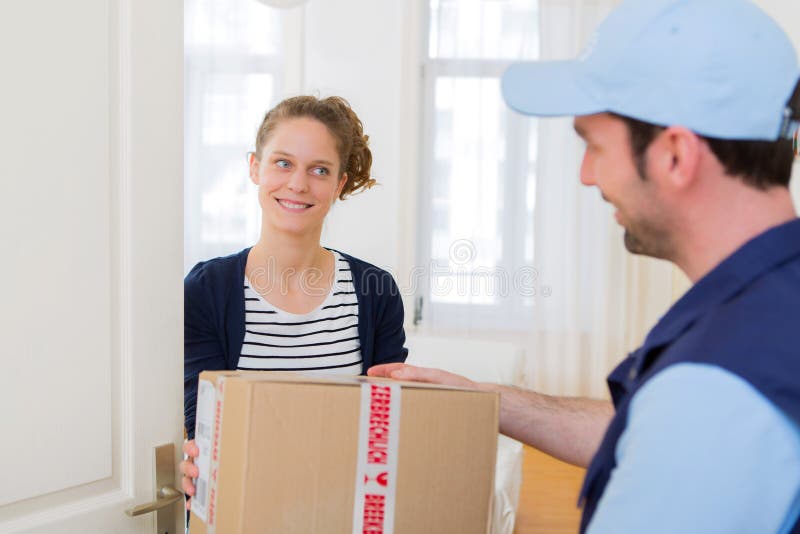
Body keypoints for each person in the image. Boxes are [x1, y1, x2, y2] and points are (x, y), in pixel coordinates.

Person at [370, 0, 800, 532]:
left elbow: (688, 421)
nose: (586, 175)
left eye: (595, 146)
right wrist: (485, 402)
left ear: (675, 155)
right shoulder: (769, 307)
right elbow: (646, 427)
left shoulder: (718, 381)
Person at [181, 95, 408, 508]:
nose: (298, 184)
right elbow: (202, 424)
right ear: (255, 167)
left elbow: (386, 424)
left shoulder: (375, 290)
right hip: (241, 509)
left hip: (340, 509)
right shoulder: (206, 290)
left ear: (339, 184)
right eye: (283, 162)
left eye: (319, 170)